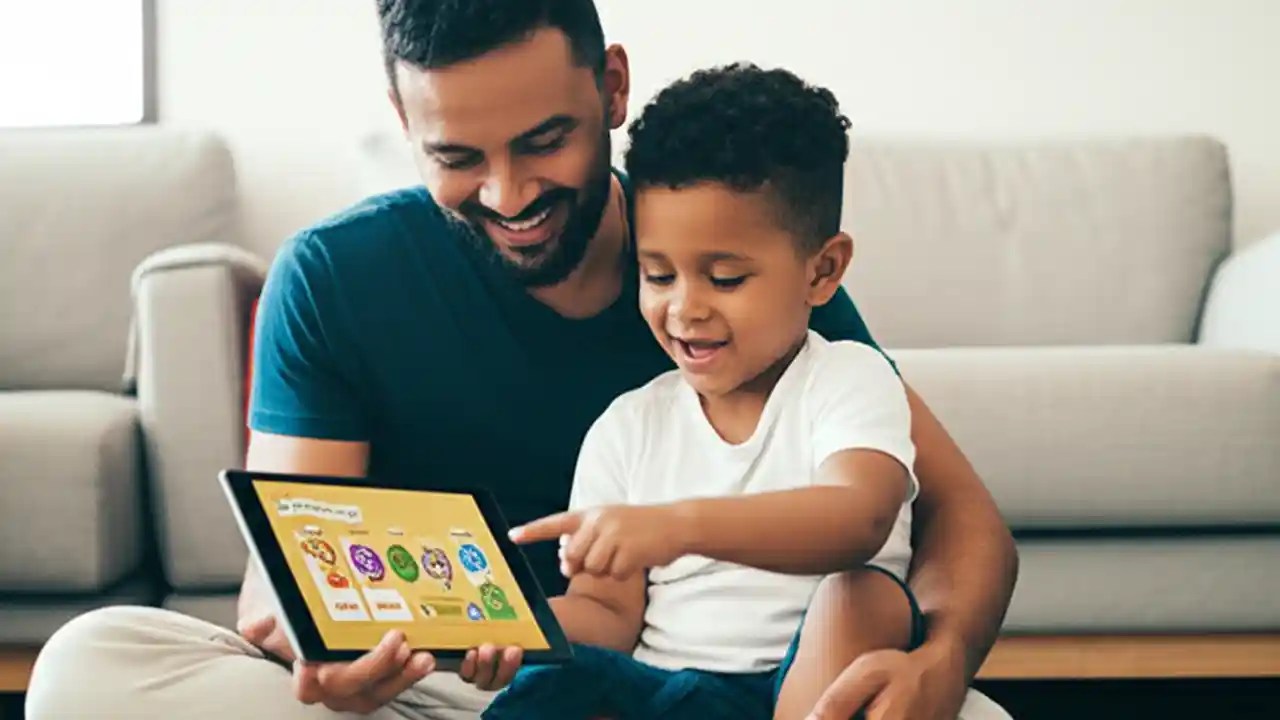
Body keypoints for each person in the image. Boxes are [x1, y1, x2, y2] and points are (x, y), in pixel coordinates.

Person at [25, 2, 1017, 719]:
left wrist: (938, 662)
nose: (505, 194)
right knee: (94, 664)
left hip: (770, 685)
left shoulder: (746, 267)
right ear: (402, 118)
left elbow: (954, 521)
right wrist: (336, 653)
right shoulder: (334, 276)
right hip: (474, 686)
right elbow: (279, 586)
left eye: (545, 142)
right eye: (457, 156)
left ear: (611, 88)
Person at [478, 62, 924, 720]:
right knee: (553, 688)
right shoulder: (629, 426)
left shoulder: (846, 378)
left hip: (793, 684)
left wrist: (677, 527)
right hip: (665, 691)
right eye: (658, 275)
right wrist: (511, 627)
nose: (684, 310)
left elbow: (859, 518)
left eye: (725, 279)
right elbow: (607, 613)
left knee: (864, 598)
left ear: (823, 271)